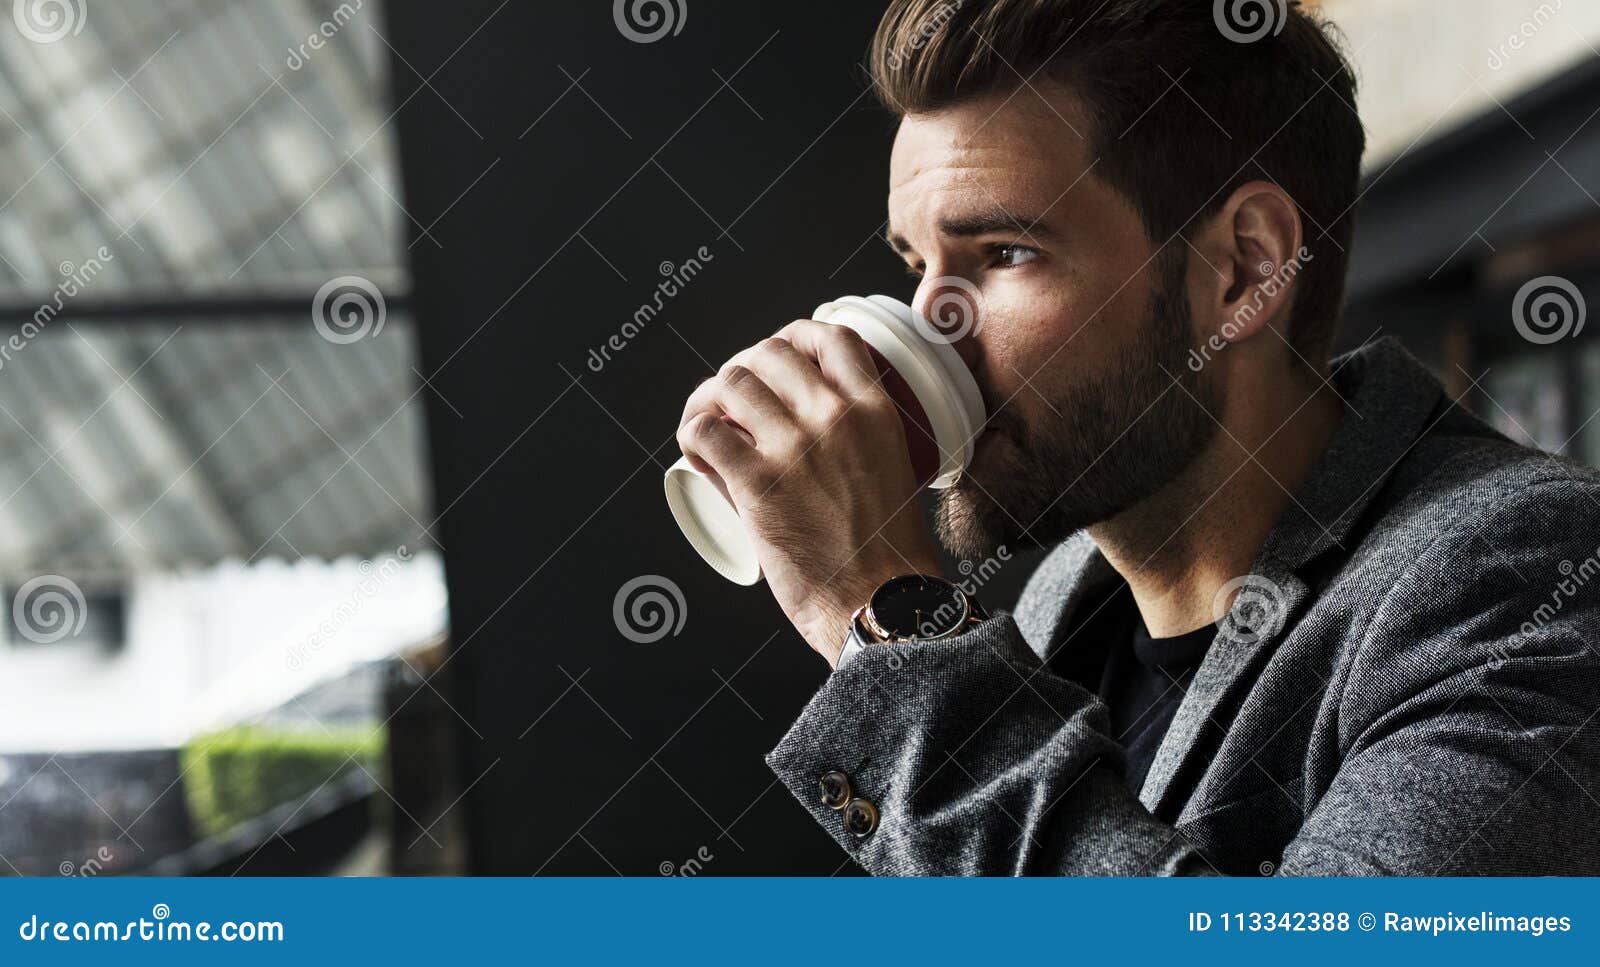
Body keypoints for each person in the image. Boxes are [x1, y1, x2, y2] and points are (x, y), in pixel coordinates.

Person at [674, 0, 1600, 875]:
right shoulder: (1062, 607)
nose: (930, 322)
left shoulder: (1525, 579)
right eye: (918, 265)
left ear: (1244, 271)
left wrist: (880, 611)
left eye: (1005, 253)